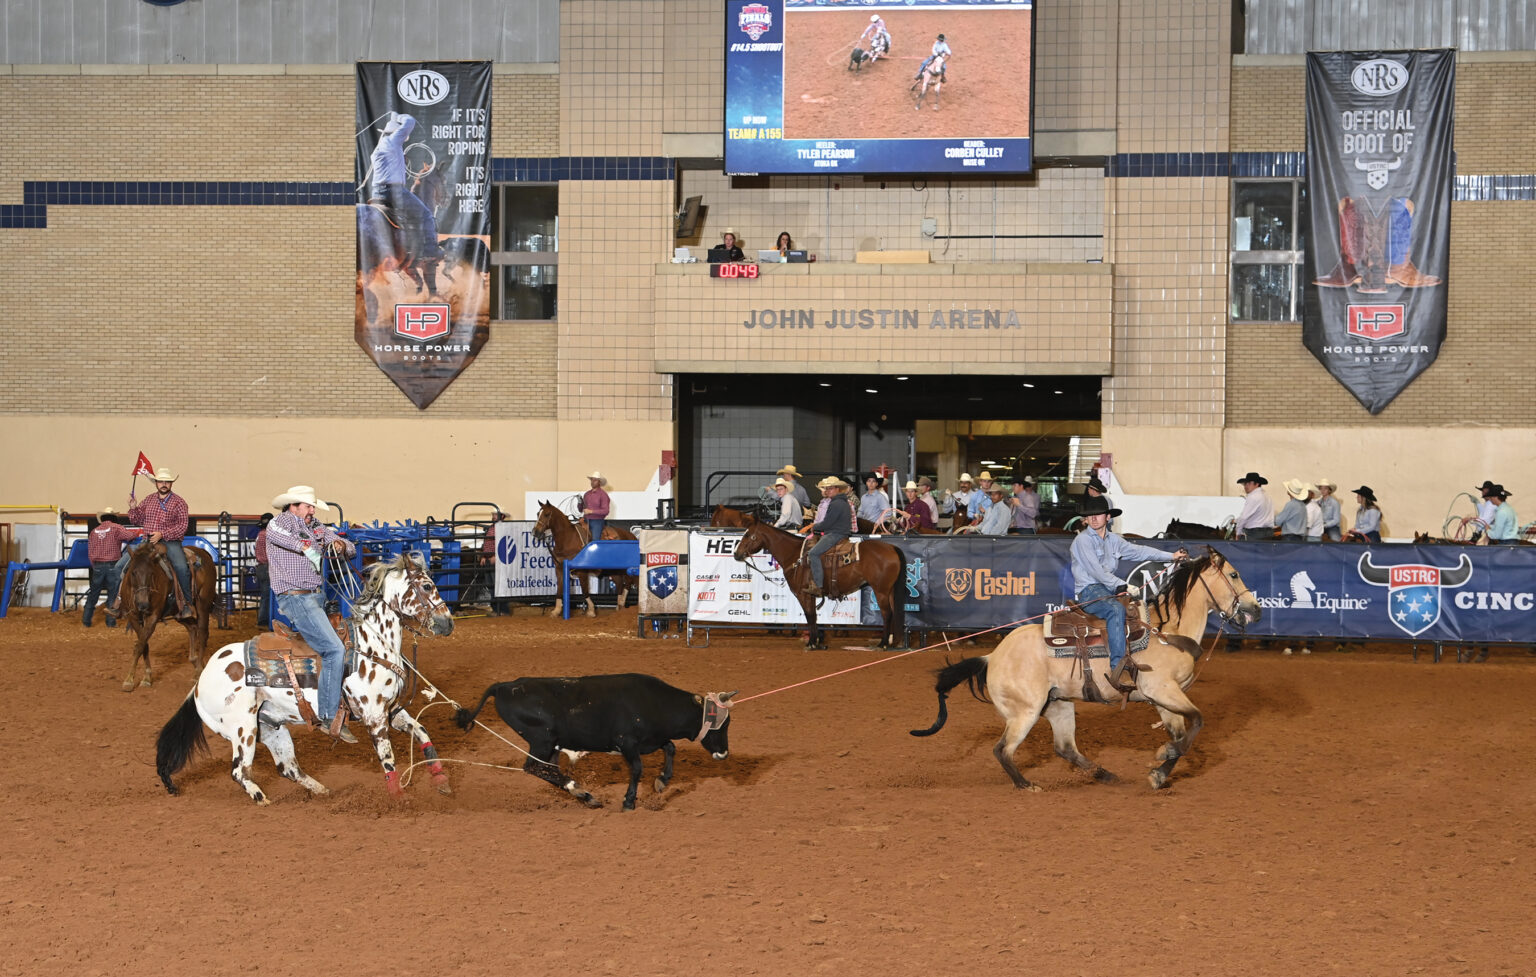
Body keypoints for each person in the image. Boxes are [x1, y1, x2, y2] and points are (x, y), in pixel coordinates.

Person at [267, 485, 358, 743]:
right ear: (293, 505)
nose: (311, 511)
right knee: (334, 650)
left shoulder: (316, 524)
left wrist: (340, 544)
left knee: (347, 639)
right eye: (307, 506)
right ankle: (329, 715)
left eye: (312, 507)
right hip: (296, 597)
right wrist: (313, 545)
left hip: (315, 595)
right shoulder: (278, 523)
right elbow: (292, 542)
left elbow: (346, 546)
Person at [1070, 495, 1188, 689]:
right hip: (1089, 591)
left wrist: (1171, 556)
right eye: (1089, 515)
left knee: (1136, 609)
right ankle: (1119, 668)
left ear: (1108, 517)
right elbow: (1096, 571)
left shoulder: (1114, 540)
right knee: (1115, 610)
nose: (1093, 518)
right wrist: (1121, 585)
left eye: (1098, 514)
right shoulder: (1082, 541)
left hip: (1106, 590)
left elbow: (1139, 552)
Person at [109, 466, 194, 619]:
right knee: (119, 567)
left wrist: (163, 533)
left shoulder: (179, 502)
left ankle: (187, 604)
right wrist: (133, 507)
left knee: (181, 567)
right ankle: (118, 603)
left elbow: (182, 526)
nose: (164, 484)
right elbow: (136, 520)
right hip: (147, 542)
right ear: (156, 483)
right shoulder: (148, 500)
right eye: (161, 481)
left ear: (171, 484)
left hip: (170, 542)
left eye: (167, 481)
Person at [367, 112, 444, 263]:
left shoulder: (379, 148)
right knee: (427, 215)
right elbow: (410, 121)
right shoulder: (392, 142)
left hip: (377, 191)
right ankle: (430, 251)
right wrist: (398, 117)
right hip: (393, 191)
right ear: (395, 133)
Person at [83, 507, 145, 628]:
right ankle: (110, 622)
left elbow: (90, 552)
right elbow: (130, 535)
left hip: (97, 566)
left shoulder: (94, 531)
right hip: (112, 564)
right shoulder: (116, 528)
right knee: (113, 593)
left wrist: (94, 565)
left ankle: (86, 621)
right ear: (113, 518)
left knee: (93, 594)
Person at [804, 477, 855, 597]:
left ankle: (818, 586)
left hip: (835, 534)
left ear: (837, 489)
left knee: (813, 553)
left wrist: (815, 527)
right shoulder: (842, 502)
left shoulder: (836, 503)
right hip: (840, 532)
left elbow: (828, 523)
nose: (827, 491)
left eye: (830, 488)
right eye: (826, 489)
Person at [481, 512, 510, 616]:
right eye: (493, 514)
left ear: (502, 516)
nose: (493, 516)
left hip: (496, 559)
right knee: (491, 585)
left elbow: (503, 543)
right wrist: (484, 556)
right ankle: (496, 609)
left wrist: (496, 556)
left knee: (497, 585)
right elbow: (487, 543)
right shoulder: (492, 528)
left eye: (495, 514)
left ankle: (503, 609)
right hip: (489, 558)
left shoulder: (502, 528)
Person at [1235, 472, 1275, 541]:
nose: (1246, 486)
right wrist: (1236, 520)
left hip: (1254, 534)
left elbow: (1244, 517)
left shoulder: (1253, 496)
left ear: (1256, 484)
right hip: (1268, 533)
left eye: (1249, 483)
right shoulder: (1267, 497)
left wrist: (1238, 532)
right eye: (1245, 484)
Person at [253, 512, 274, 628]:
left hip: (261, 566)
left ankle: (263, 619)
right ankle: (263, 620)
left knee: (265, 595)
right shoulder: (267, 535)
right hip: (266, 567)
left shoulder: (260, 534)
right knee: (267, 595)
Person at [581, 471, 611, 540]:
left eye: (595, 480)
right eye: (592, 480)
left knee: (595, 540)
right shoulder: (587, 494)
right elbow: (581, 509)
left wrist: (591, 511)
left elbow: (606, 511)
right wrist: (580, 503)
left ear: (599, 482)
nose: (592, 482)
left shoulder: (603, 495)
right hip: (585, 520)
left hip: (597, 521)